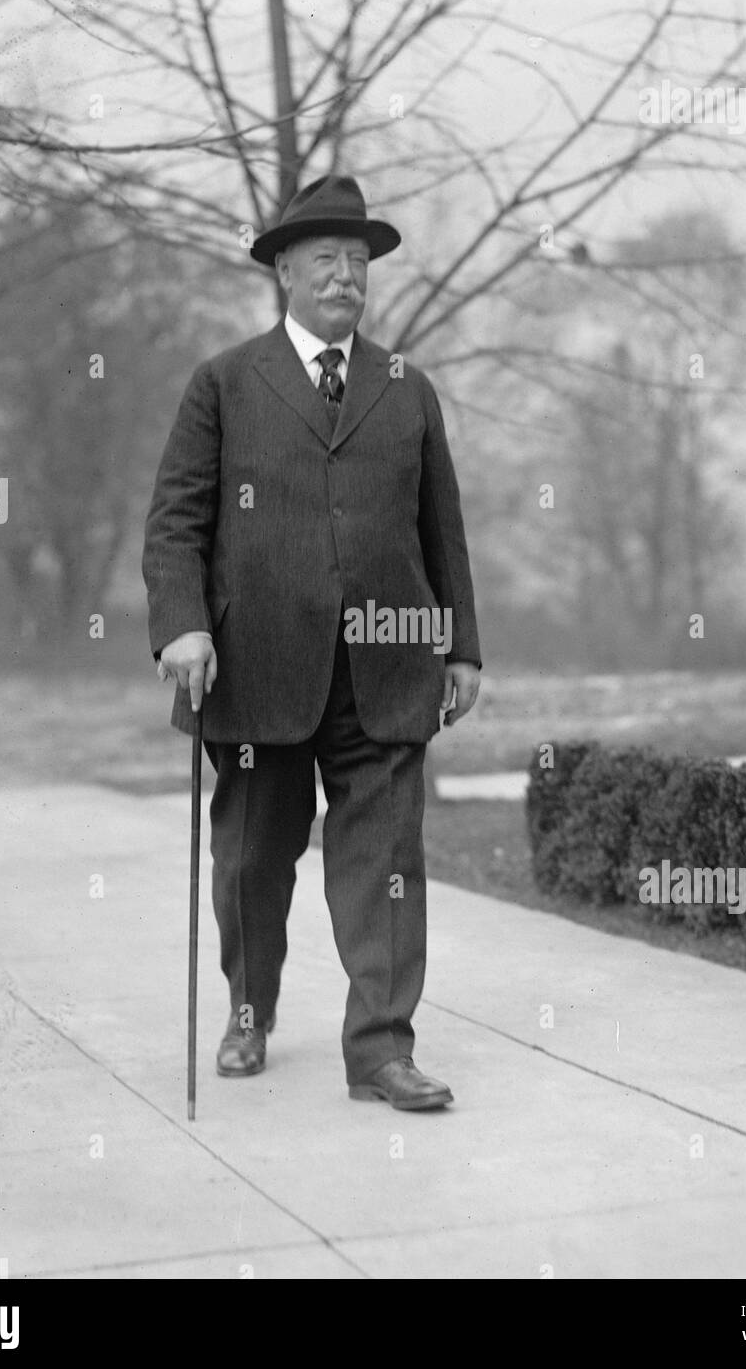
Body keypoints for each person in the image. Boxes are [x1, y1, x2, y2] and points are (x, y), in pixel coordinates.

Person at [142, 175, 480, 1111]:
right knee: (252, 861)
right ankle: (249, 1012)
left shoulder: (407, 389)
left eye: (358, 262)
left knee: (386, 870)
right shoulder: (222, 384)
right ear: (283, 269)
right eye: (325, 258)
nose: (345, 276)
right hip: (255, 672)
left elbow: (440, 529)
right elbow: (175, 524)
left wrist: (461, 647)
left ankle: (380, 1051)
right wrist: (182, 627)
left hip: (388, 666)